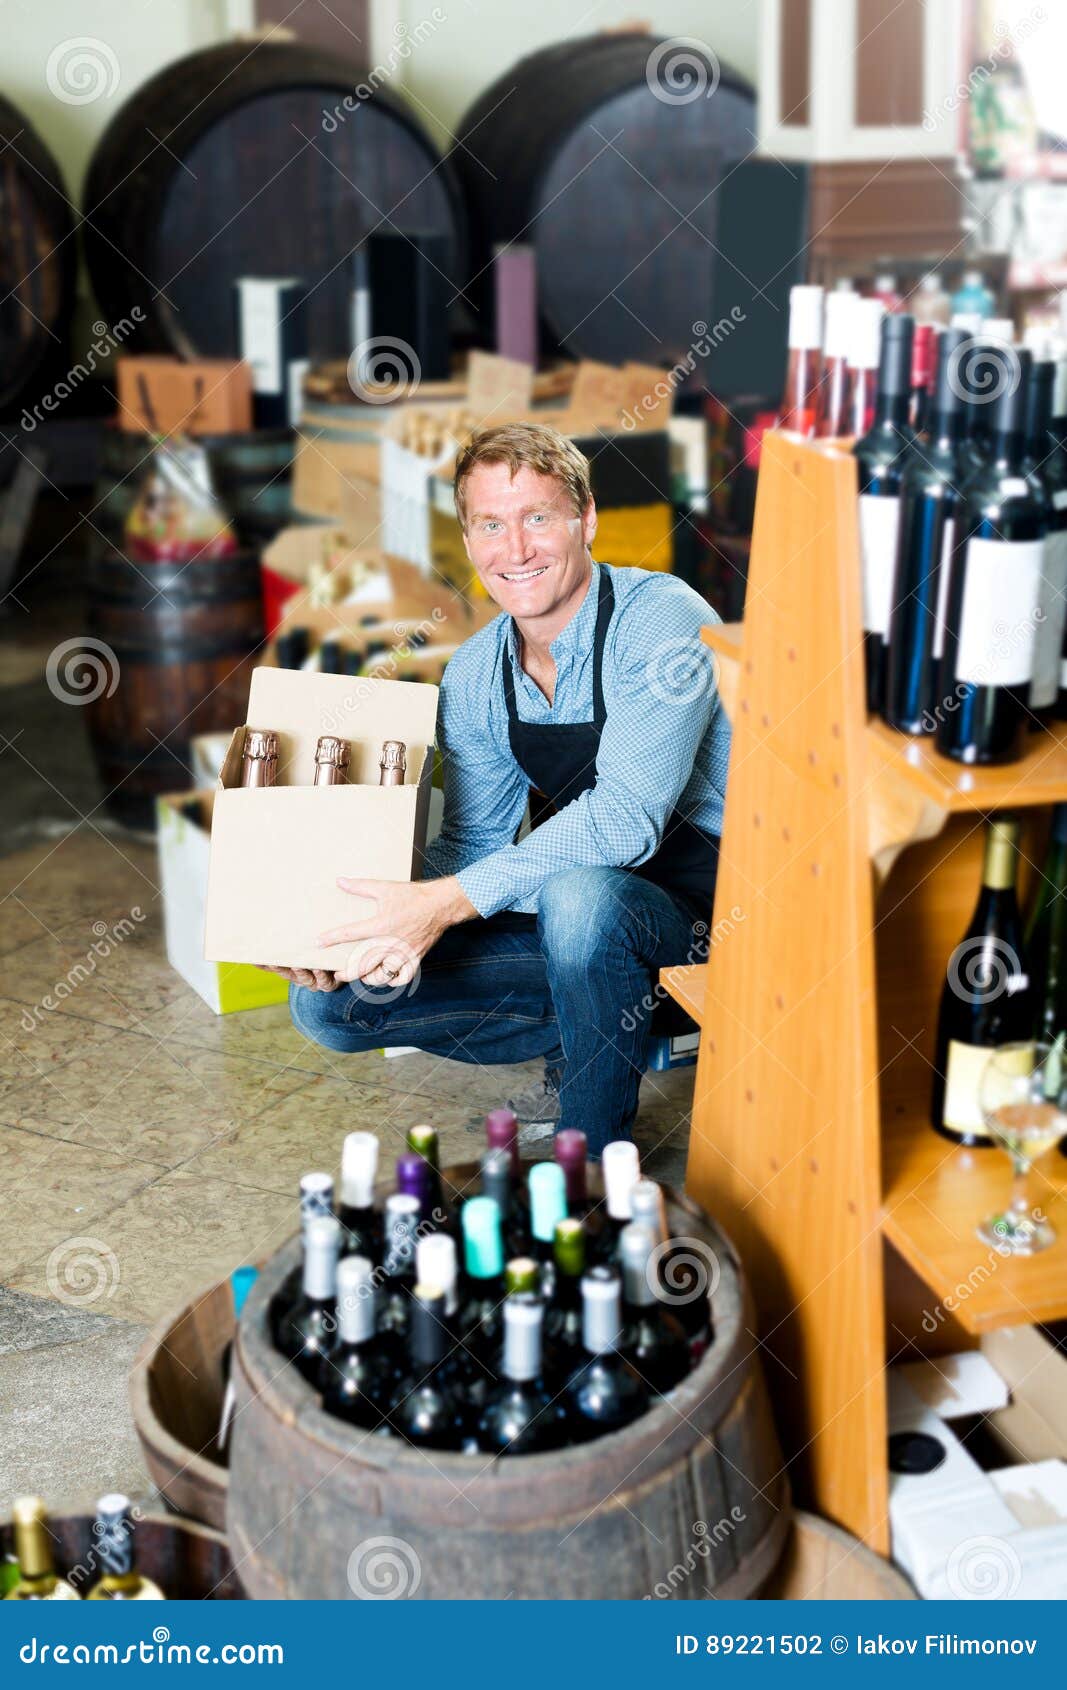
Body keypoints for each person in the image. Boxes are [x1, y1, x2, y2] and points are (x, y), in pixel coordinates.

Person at [274, 422, 730, 1155]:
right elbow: (472, 845)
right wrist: (334, 922)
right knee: (331, 1004)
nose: (513, 550)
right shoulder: (476, 672)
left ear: (585, 521)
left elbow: (626, 820)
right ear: (467, 537)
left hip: (716, 918)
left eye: (537, 519)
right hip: (579, 929)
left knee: (581, 896)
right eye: (490, 524)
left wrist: (443, 905)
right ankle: (591, 1037)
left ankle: (591, 1166)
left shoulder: (660, 619)